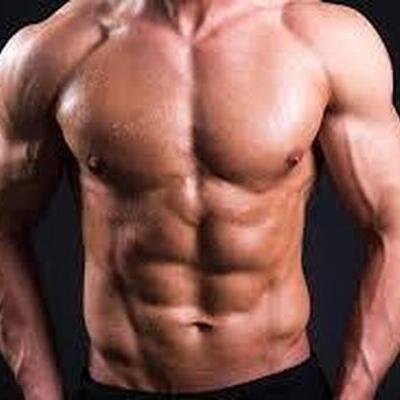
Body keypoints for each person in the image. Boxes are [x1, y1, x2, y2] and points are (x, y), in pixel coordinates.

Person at [0, 0, 400, 398]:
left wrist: (356, 391)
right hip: (122, 385)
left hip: (280, 385)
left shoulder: (326, 42)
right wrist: (40, 394)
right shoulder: (56, 49)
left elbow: (393, 228)